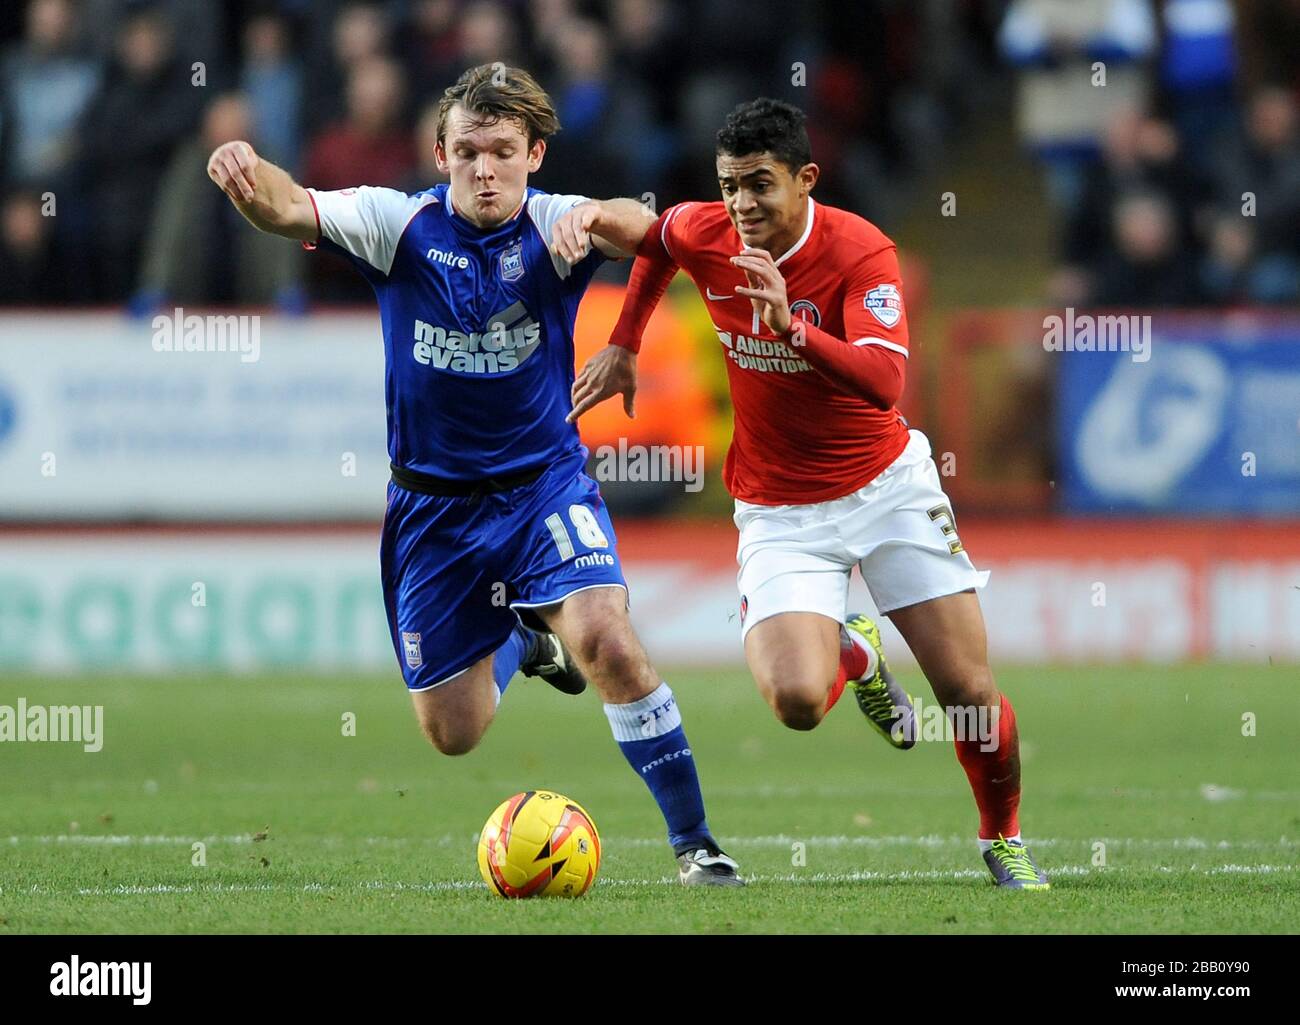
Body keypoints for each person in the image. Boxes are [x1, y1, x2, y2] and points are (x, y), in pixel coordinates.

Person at [206, 63, 742, 887]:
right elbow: (288, 204)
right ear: (439, 153)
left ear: (533, 154)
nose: (483, 169)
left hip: (543, 486)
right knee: (453, 732)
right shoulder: (398, 224)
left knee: (606, 640)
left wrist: (602, 215)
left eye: (500, 151)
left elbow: (657, 232)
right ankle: (524, 637)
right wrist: (246, 173)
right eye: (466, 152)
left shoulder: (558, 220)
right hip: (433, 508)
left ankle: (697, 844)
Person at [566, 98, 1049, 889]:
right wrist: (624, 340)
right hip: (780, 510)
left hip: (886, 488)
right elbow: (658, 244)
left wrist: (793, 328)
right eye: (729, 185)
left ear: (806, 179)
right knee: (794, 699)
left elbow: (887, 382)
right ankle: (854, 651)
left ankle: (1003, 838)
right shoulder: (708, 230)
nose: (742, 204)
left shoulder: (862, 252)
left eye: (760, 184)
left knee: (965, 690)